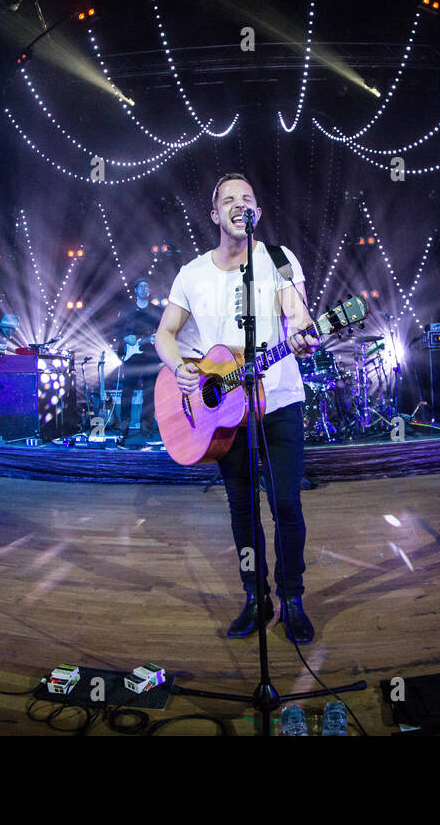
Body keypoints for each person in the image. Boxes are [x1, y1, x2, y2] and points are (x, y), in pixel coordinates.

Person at [154, 173, 320, 642]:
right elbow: (164, 334)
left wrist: (305, 333)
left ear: (257, 213)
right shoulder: (192, 274)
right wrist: (181, 368)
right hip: (224, 413)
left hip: (278, 402)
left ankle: (292, 598)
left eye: (247, 198)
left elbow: (298, 315)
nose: (238, 203)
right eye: (228, 199)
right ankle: (255, 597)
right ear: (215, 215)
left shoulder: (278, 260)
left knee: (285, 504)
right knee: (242, 510)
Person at [114, 277, 163, 442]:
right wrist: (124, 338)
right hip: (131, 357)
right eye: (140, 286)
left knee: (149, 392)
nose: (143, 289)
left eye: (146, 286)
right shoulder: (127, 310)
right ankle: (124, 424)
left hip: (150, 356)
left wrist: (157, 337)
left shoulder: (156, 311)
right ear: (135, 290)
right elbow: (116, 330)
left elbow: (163, 328)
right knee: (127, 391)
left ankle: (146, 426)